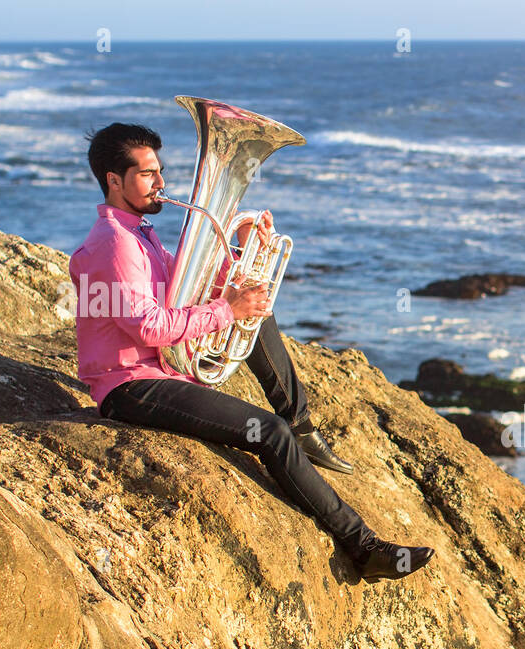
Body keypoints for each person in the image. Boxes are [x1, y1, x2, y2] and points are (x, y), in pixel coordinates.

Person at [69, 122, 433, 582]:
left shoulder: (139, 233)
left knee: (256, 314)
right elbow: (151, 325)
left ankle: (301, 423)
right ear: (113, 181)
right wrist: (226, 308)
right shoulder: (113, 245)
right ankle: (363, 547)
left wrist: (237, 244)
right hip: (131, 386)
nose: (162, 183)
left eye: (160, 172)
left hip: (160, 373)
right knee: (269, 433)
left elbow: (185, 287)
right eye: (147, 174)